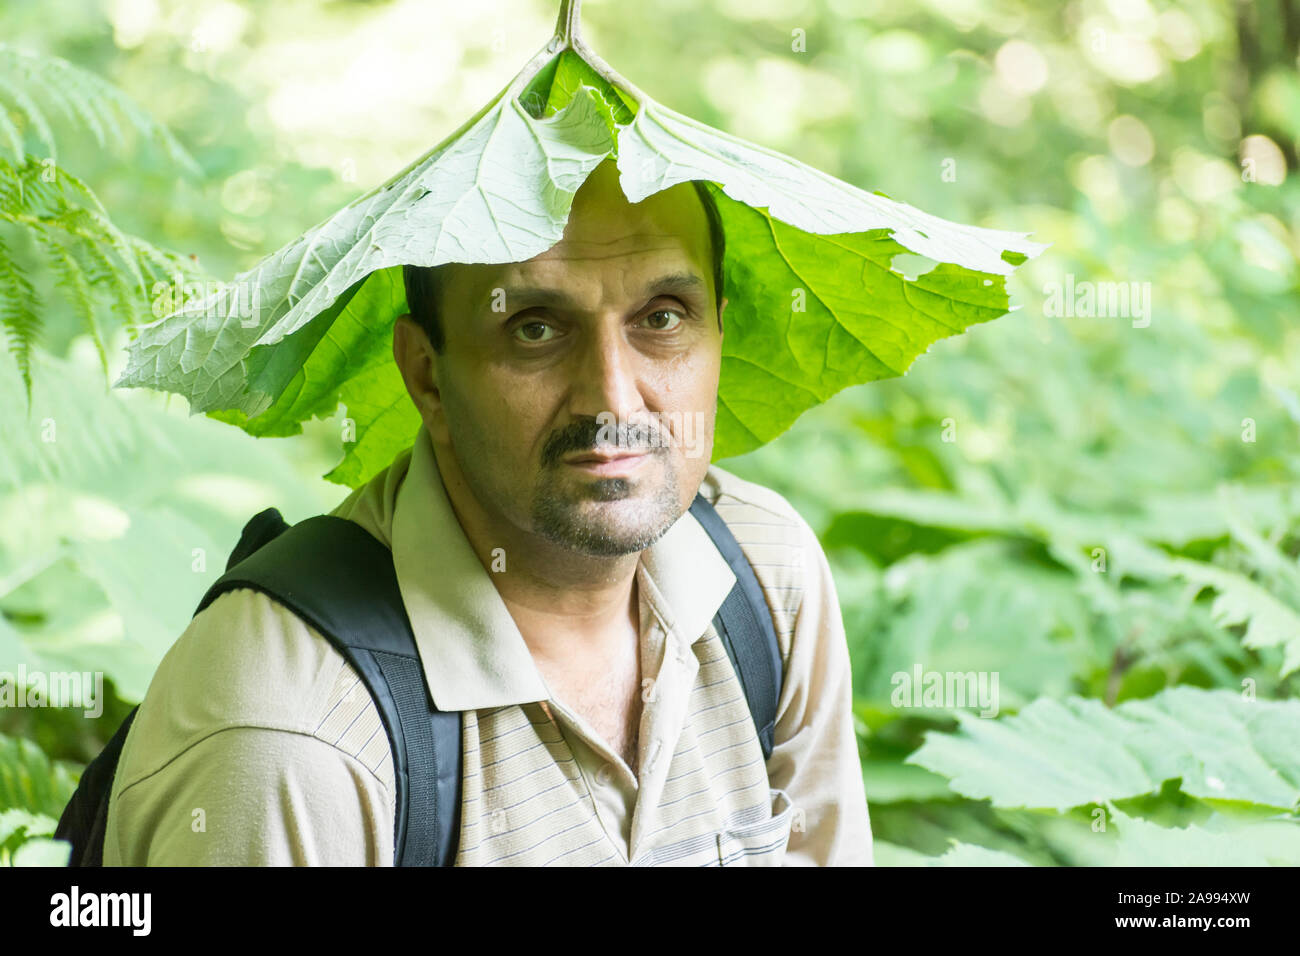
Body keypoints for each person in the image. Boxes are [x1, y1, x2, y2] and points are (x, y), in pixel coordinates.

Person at [103, 158, 873, 866]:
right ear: (427, 377)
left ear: (718, 335)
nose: (612, 396)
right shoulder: (295, 731)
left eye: (662, 317)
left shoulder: (768, 578)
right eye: (535, 328)